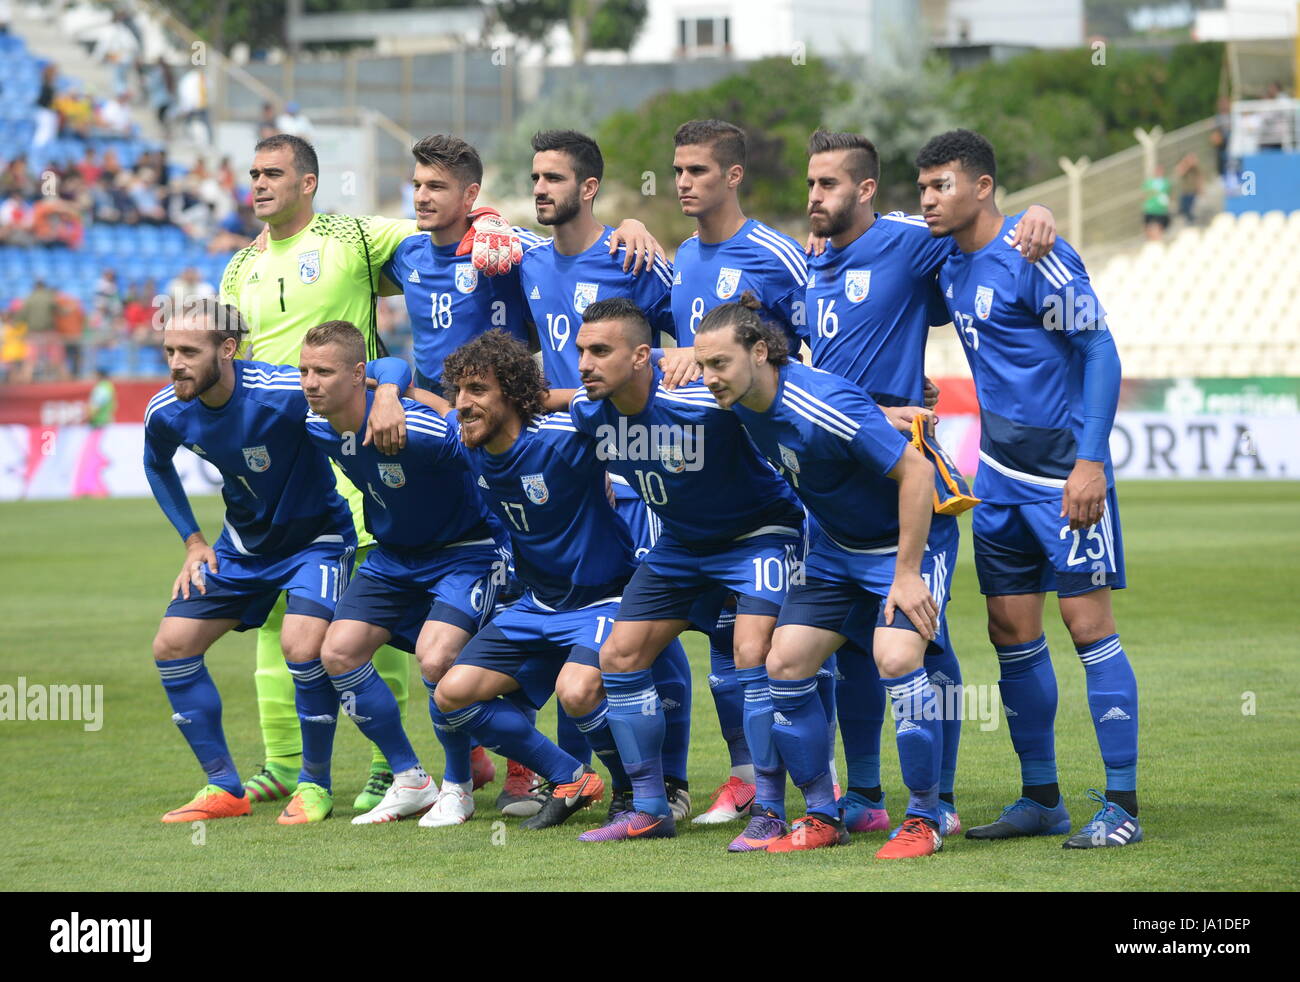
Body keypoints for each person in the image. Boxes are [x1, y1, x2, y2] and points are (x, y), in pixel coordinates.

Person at [220, 133, 519, 812]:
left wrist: (495, 218)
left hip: (363, 444)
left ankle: (416, 760)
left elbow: (445, 219)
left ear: (308, 182)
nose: (259, 183)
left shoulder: (355, 236)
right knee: (278, 615)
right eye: (253, 173)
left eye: (274, 173)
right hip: (280, 459)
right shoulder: (237, 267)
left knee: (374, 601)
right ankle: (283, 762)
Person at [801, 129, 1057, 837]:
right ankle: (863, 794)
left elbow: (986, 229)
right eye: (811, 184)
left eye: (827, 184)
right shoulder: (806, 261)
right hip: (827, 482)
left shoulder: (913, 242)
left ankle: (935, 799)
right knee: (853, 642)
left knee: (919, 638)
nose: (814, 196)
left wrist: (1038, 212)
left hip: (894, 468)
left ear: (866, 189)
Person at [917, 129, 1141, 849]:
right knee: (1011, 631)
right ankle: (1041, 798)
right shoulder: (948, 262)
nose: (928, 199)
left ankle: (1123, 805)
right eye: (922, 188)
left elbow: (1098, 347)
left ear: (982, 187)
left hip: (1063, 477)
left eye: (942, 185)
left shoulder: (1034, 251)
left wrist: (1092, 460)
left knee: (1088, 630)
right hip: (1001, 483)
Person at [694, 299, 954, 857]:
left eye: (720, 363)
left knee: (896, 657)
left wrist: (906, 574)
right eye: (703, 365)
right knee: (784, 663)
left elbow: (917, 473)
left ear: (759, 352)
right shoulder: (738, 399)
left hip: (905, 545)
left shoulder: (817, 404)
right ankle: (820, 815)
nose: (710, 377)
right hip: (835, 550)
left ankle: (926, 818)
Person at [558, 297, 805, 844]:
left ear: (643, 356)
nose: (584, 364)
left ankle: (769, 808)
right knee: (619, 656)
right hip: (681, 547)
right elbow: (557, 398)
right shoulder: (588, 409)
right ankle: (649, 806)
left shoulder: (703, 397)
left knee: (750, 652)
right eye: (581, 351)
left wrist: (883, 414)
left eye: (600, 351)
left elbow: (785, 387)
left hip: (759, 535)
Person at [142, 301, 377, 822]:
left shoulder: (283, 392)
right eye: (169, 352)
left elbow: (382, 373)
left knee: (301, 645)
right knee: (172, 645)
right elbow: (156, 466)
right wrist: (192, 542)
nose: (175, 363)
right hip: (242, 548)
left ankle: (315, 784)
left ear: (228, 349)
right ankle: (224, 788)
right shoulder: (167, 410)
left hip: (316, 540)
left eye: (188, 351)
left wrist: (390, 397)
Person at [518, 129, 695, 817]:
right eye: (535, 177)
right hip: (568, 475)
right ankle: (575, 781)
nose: (540, 189)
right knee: (578, 623)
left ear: (586, 189)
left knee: (653, 625)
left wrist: (638, 223)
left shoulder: (633, 258)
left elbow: (694, 340)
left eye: (554, 179)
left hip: (637, 475)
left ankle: (671, 783)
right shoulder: (529, 264)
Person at [428, 329, 658, 830]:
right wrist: (383, 389)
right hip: (538, 605)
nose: (463, 404)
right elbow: (408, 391)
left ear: (512, 395)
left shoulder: (563, 442)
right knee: (451, 693)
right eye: (459, 392)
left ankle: (636, 795)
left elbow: (619, 405)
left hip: (604, 599)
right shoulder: (468, 441)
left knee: (576, 690)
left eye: (478, 391)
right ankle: (570, 777)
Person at [295, 321, 506, 827]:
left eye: (323, 371)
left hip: (466, 551)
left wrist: (397, 393)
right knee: (337, 653)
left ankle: (458, 786)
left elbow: (482, 448)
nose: (310, 382)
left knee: (436, 659)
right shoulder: (317, 426)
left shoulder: (420, 430)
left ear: (358, 375)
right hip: (393, 557)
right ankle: (410, 778)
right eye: (304, 371)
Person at [1141, 164, 1171, 241]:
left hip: (1160, 211)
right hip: (1150, 210)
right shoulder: (1149, 183)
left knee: (1158, 228)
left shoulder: (1166, 183)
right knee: (1149, 228)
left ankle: (1157, 241)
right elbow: (1145, 195)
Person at [1174, 152, 1202, 225]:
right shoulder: (1184, 167)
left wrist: (1200, 188)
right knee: (1184, 209)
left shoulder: (1195, 169)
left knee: (1191, 208)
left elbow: (1199, 177)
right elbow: (1179, 172)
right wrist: (1187, 164)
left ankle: (1190, 221)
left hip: (1193, 191)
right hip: (1185, 191)